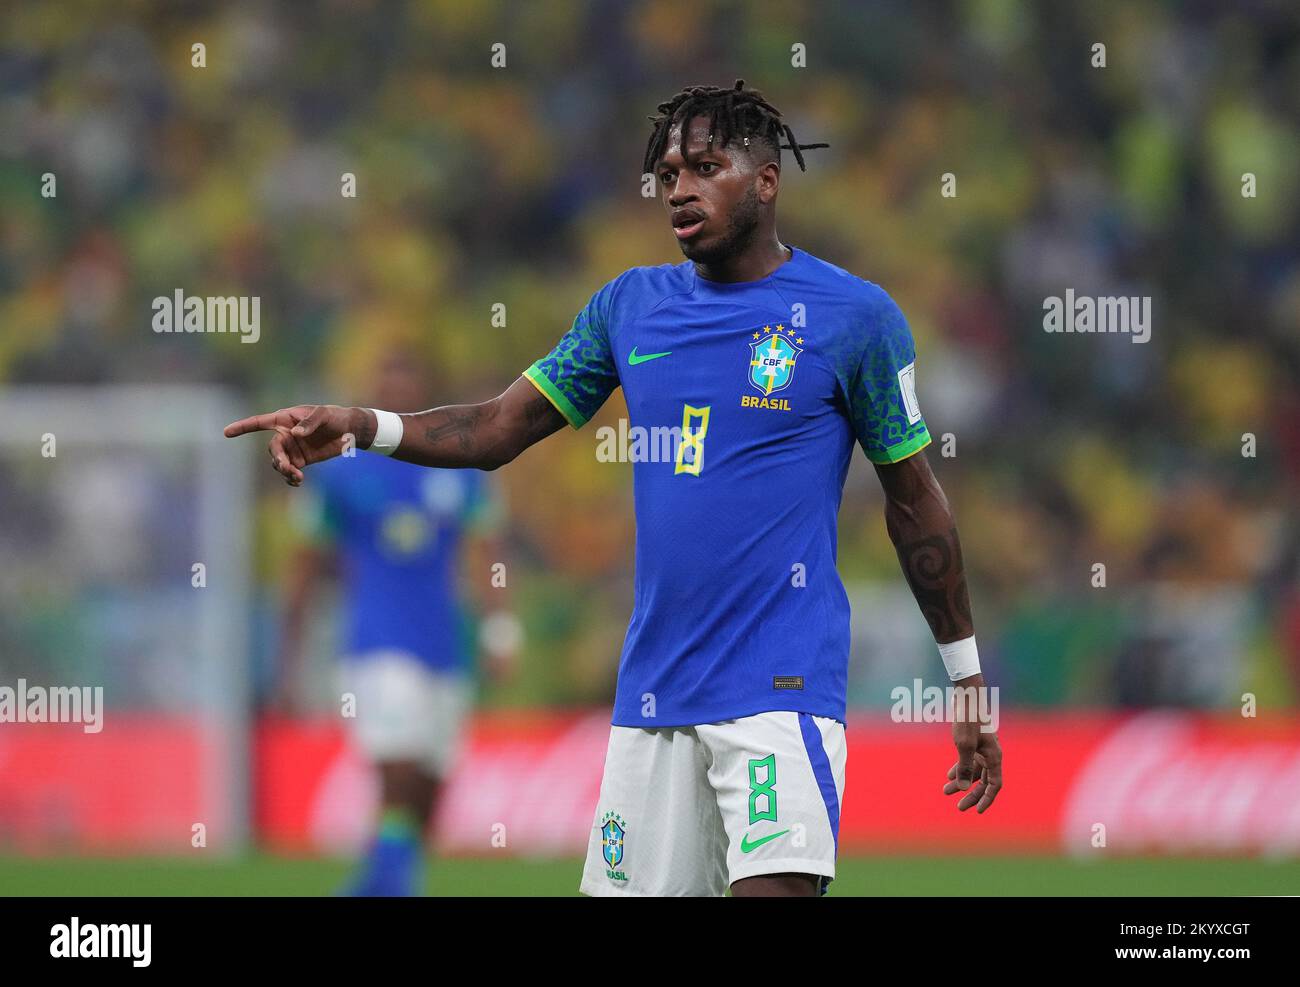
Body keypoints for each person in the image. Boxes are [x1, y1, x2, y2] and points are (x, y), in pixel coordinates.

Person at [227, 80, 1002, 897]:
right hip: (654, 694)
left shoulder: (854, 317)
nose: (679, 189)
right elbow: (496, 429)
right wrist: (357, 425)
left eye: (706, 167)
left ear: (767, 181)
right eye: (669, 173)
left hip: (780, 689)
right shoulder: (629, 308)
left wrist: (966, 679)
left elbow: (913, 498)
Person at [276, 346, 517, 896]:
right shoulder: (341, 470)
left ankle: (378, 883)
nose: (398, 390)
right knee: (399, 771)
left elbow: (488, 550)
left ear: (424, 392)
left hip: (444, 645)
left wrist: (500, 628)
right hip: (376, 643)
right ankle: (386, 888)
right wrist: (287, 659)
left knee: (428, 791)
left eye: (409, 378)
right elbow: (306, 567)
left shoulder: (457, 462)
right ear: (375, 393)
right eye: (389, 378)